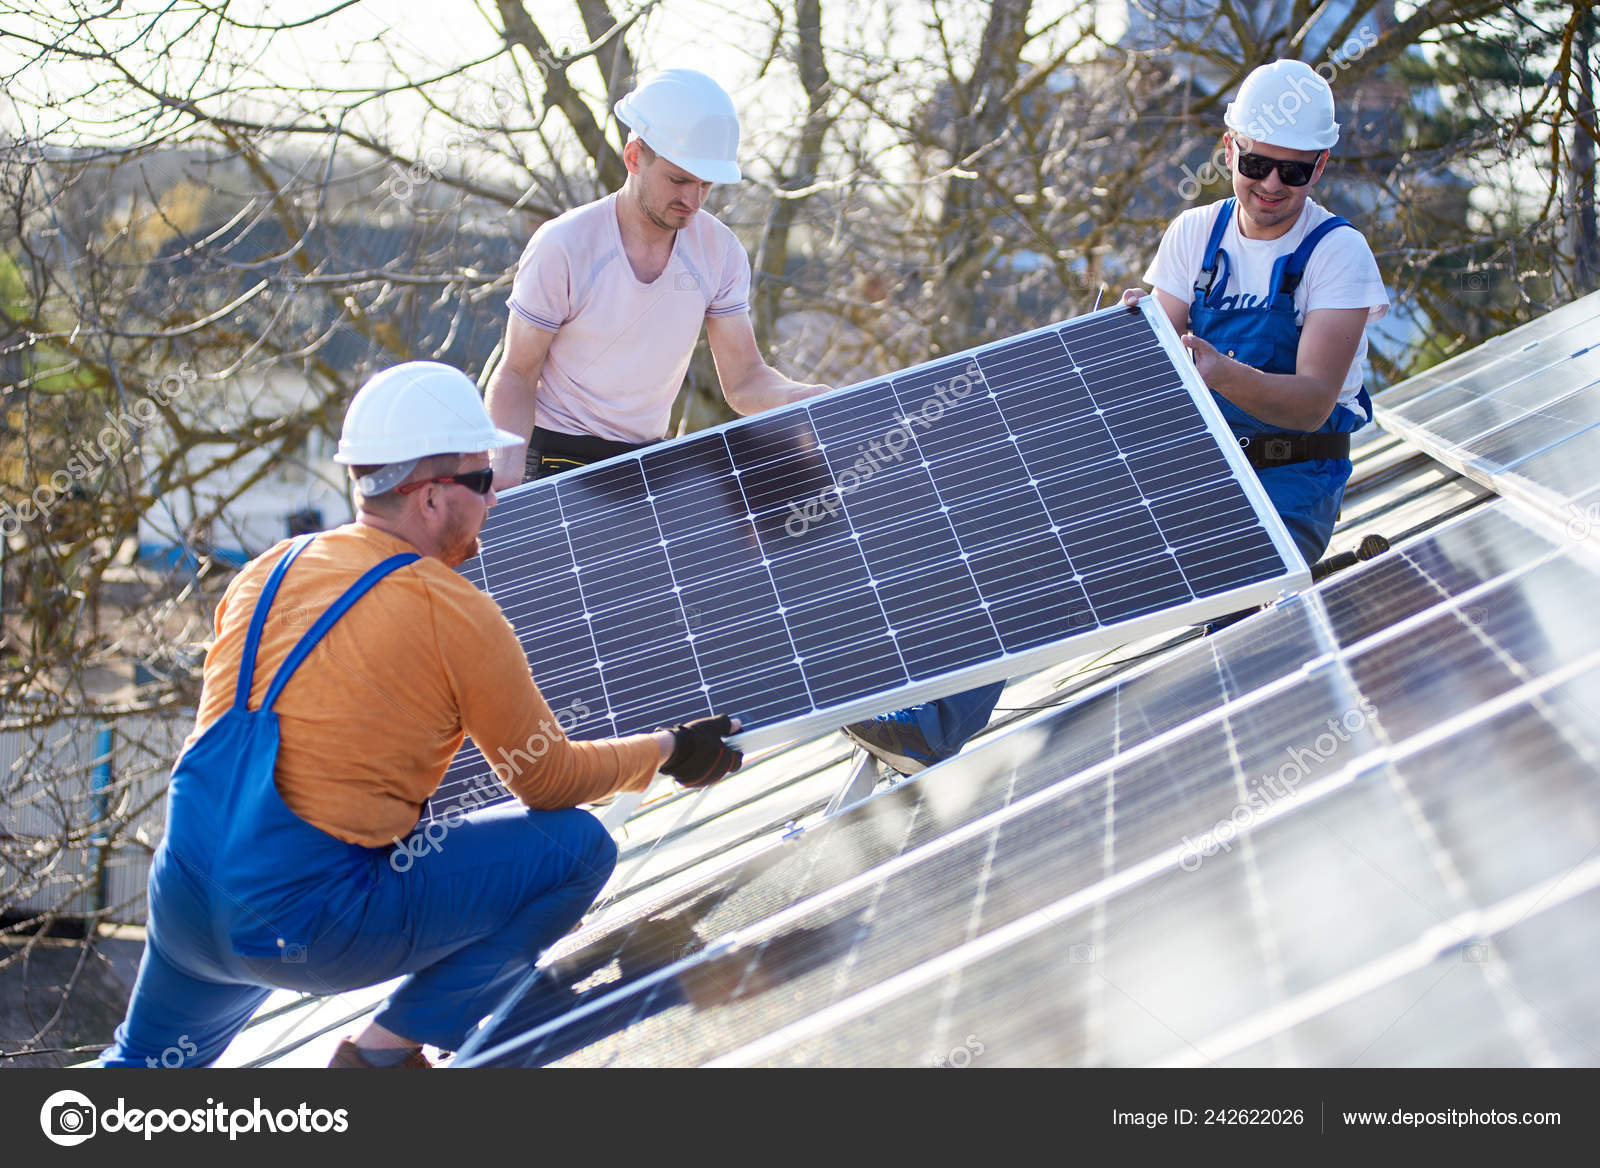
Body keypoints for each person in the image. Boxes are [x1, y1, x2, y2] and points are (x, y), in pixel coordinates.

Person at [100, 362, 743, 1069]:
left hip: (185, 907)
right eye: (482, 479)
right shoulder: (453, 610)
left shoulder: (266, 571)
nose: (497, 496)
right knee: (577, 851)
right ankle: (381, 1057)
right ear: (431, 498)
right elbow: (550, 781)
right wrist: (669, 749)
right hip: (308, 925)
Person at [485, 68, 828, 487]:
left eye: (705, 184)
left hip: (646, 465)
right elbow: (517, 374)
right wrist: (505, 476)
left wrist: (800, 398)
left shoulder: (720, 252)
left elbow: (743, 381)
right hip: (557, 457)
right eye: (678, 179)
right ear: (634, 158)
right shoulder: (564, 245)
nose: (692, 199)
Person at [1121, 59, 1390, 567]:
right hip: (1210, 466)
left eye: (1293, 171)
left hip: (1296, 481)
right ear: (1230, 149)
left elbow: (1311, 405)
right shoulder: (1194, 232)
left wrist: (1220, 372)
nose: (1270, 184)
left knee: (1246, 595)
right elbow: (1152, 365)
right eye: (1256, 164)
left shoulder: (1337, 252)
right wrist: (1133, 334)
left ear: (1320, 166)